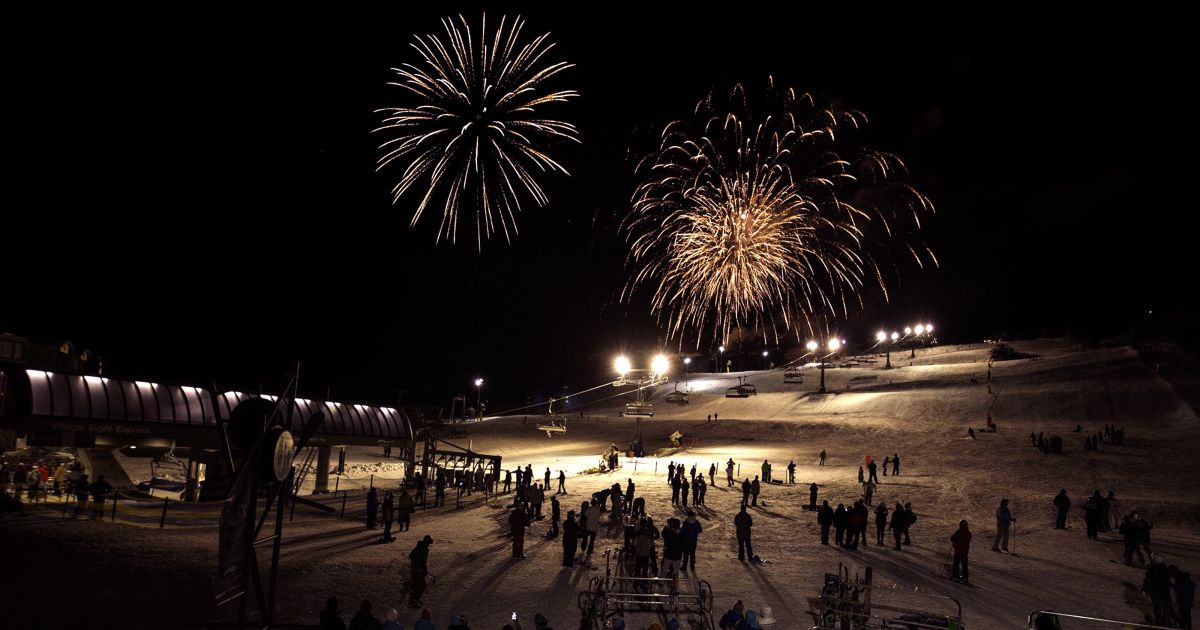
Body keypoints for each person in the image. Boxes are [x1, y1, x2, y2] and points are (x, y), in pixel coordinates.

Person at [1143, 557, 1175, 626]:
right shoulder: (1165, 569)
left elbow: (1147, 580)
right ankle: (1166, 621)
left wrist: (1144, 589)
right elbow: (1168, 580)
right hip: (1164, 592)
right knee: (1166, 607)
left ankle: (1159, 621)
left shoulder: (1151, 570)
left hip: (1154, 592)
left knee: (1157, 607)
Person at [408, 535, 432, 608]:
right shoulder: (424, 549)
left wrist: (415, 562)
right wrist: (424, 570)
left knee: (417, 585)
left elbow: (411, 555)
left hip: (414, 569)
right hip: (418, 570)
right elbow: (423, 562)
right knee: (422, 586)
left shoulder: (419, 546)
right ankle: (414, 601)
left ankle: (413, 600)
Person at [681, 509, 703, 573]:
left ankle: (684, 567)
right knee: (692, 554)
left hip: (686, 541)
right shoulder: (696, 522)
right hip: (693, 540)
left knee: (686, 554)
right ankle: (692, 567)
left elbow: (683, 531)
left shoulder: (686, 522)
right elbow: (700, 530)